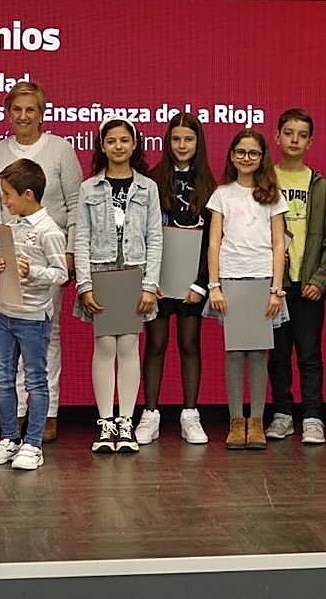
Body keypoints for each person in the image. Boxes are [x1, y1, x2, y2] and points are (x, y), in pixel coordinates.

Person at [0, 82, 82, 443]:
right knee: (13, 330)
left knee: (47, 332)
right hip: (9, 254)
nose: (23, 116)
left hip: (49, 253)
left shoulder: (60, 150)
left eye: (31, 109)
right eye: (16, 110)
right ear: (8, 113)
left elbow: (75, 205)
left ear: (42, 113)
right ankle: (21, 412)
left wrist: (70, 253)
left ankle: (48, 409)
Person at [74, 118, 162, 454]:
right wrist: (84, 285)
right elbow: (81, 238)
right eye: (111, 141)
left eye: (125, 140)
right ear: (102, 146)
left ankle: (126, 422)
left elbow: (155, 238)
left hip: (135, 275)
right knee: (104, 348)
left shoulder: (147, 188)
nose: (119, 146)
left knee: (128, 347)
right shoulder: (89, 188)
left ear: (135, 144)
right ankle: (105, 423)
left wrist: (150, 285)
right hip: (101, 273)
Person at [0, 159, 68, 471]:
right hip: (5, 314)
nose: (4, 200)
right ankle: (9, 439)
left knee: (35, 380)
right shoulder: (11, 227)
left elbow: (60, 274)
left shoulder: (50, 231)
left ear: (28, 194)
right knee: (2, 378)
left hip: (33, 317)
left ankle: (33, 444)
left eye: (7, 195)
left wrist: (34, 272)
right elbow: (2, 262)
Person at [204, 129, 289, 451]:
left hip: (263, 281)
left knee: (258, 354)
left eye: (253, 153)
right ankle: (235, 421)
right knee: (234, 353)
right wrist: (214, 285)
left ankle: (256, 422)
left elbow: (280, 243)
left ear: (262, 157)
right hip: (231, 281)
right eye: (240, 152)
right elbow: (213, 242)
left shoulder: (273, 196)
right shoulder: (222, 194)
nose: (246, 158)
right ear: (231, 155)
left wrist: (276, 289)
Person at [137, 113, 214, 445]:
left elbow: (214, 240)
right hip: (157, 281)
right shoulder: (152, 182)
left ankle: (190, 414)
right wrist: (148, 282)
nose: (182, 145)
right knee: (155, 344)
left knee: (189, 344)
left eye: (189, 139)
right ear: (168, 143)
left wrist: (201, 283)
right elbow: (144, 235)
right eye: (176, 139)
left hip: (193, 285)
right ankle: (150, 414)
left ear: (198, 144)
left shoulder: (212, 186)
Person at [266, 109, 326, 445]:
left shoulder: (318, 184)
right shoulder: (266, 180)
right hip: (274, 285)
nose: (294, 139)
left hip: (307, 284)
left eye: (301, 134)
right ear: (276, 137)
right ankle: (281, 414)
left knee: (309, 353)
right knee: (277, 354)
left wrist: (319, 279)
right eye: (288, 133)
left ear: (310, 141)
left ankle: (312, 416)